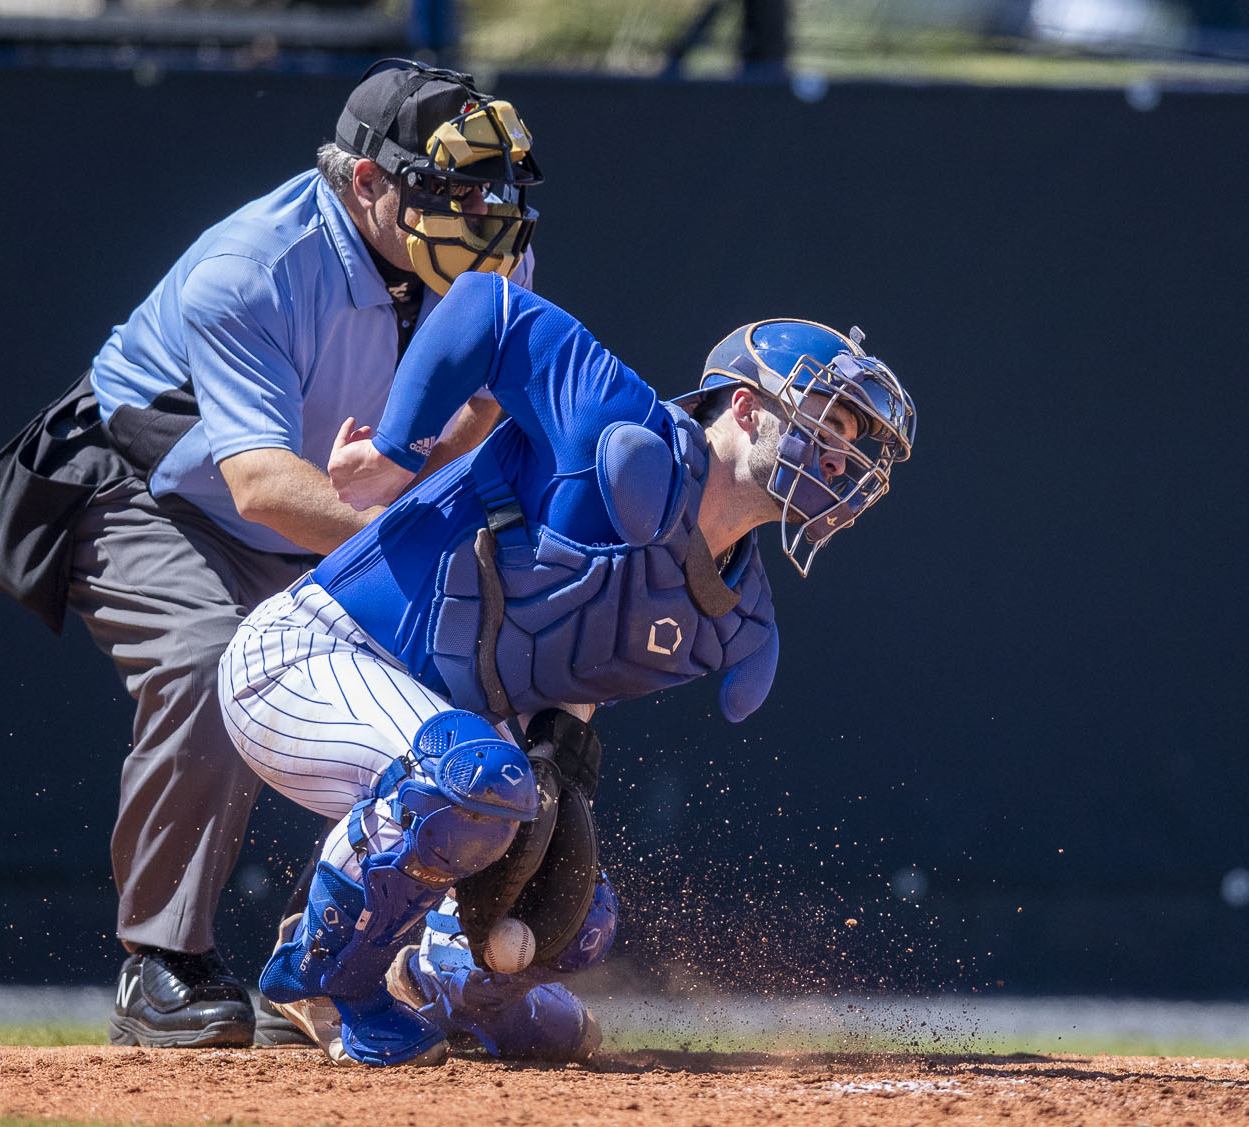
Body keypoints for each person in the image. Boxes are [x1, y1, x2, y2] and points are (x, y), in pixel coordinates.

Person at [0, 60, 543, 1049]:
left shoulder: (491, 256)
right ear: (366, 183)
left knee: (471, 673)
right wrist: (424, 551)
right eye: (452, 190)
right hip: (155, 491)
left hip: (325, 501)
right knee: (212, 659)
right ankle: (160, 966)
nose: (483, 213)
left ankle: (346, 961)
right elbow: (260, 485)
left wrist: (417, 487)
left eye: (493, 189)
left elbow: (486, 399)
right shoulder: (255, 267)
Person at [219, 273, 917, 1066]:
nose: (840, 457)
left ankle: (444, 987)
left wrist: (550, 779)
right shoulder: (618, 422)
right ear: (747, 407)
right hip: (308, 654)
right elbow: (484, 305)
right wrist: (395, 450)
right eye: (829, 422)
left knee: (580, 917)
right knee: (473, 778)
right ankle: (332, 987)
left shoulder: (734, 618)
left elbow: (564, 687)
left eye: (851, 441)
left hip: (442, 729)